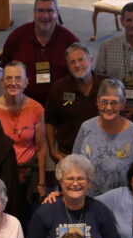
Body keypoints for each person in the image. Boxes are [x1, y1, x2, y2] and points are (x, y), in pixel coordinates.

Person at [25, 154, 119, 238]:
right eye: (70, 178)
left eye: (80, 178)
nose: (75, 183)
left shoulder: (100, 211)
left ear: (88, 182)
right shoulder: (45, 211)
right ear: (60, 182)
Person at [0, 0, 79, 106]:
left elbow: (80, 76)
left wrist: (70, 104)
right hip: (23, 107)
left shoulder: (70, 41)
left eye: (50, 11)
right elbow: (6, 70)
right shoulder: (17, 37)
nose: (45, 16)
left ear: (57, 13)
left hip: (61, 107)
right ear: (34, 13)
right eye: (40, 11)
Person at [0, 60, 47, 210]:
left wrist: (41, 182)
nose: (13, 83)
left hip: (28, 177)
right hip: (2, 175)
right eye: (8, 78)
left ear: (26, 82)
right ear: (2, 82)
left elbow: (41, 148)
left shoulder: (36, 109)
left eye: (18, 78)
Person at [72, 79, 133, 196]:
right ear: (97, 103)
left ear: (123, 105)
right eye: (104, 102)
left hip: (121, 202)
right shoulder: (87, 127)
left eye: (114, 103)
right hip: (88, 201)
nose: (108, 108)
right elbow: (74, 164)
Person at [44, 43, 107, 171]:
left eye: (81, 60)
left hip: (103, 155)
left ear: (91, 60)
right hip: (68, 156)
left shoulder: (107, 85)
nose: (77, 65)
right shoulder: (59, 89)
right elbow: (49, 121)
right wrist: (52, 150)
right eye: (72, 62)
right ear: (68, 66)